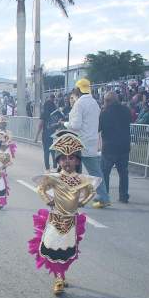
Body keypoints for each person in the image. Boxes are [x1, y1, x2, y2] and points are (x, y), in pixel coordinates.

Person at [28, 130, 98, 296]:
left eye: (71, 158)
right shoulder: (54, 178)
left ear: (77, 161)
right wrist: (48, 200)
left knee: (68, 250)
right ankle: (58, 277)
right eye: (63, 158)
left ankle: (62, 273)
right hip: (55, 219)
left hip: (72, 220)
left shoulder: (81, 179)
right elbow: (40, 188)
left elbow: (91, 191)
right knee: (54, 248)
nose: (67, 161)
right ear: (58, 161)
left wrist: (82, 202)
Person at [65, 78, 107, 208]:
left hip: (79, 141)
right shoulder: (95, 103)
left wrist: (65, 124)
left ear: (78, 90)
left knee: (74, 171)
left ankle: (74, 197)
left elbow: (76, 125)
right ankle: (104, 197)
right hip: (92, 141)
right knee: (95, 172)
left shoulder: (79, 104)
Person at [99, 91, 132, 204]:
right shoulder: (126, 110)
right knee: (123, 173)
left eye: (104, 101)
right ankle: (124, 196)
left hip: (109, 147)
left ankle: (104, 196)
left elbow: (99, 128)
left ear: (107, 101)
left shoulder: (104, 113)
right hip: (124, 146)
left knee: (104, 173)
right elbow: (130, 120)